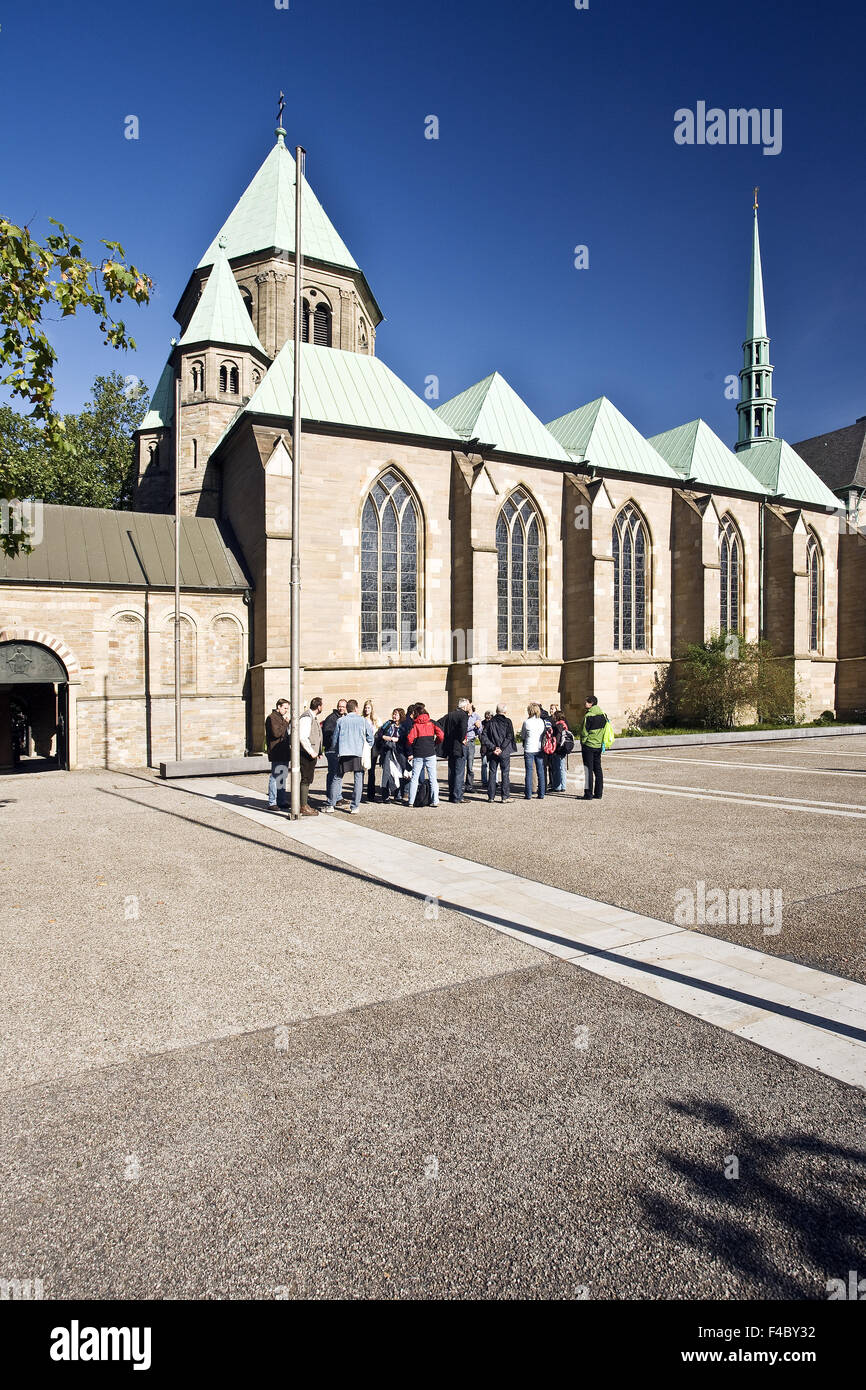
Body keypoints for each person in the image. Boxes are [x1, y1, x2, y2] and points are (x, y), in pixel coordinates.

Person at [325, 699, 374, 813]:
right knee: (358, 779)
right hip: (358, 753)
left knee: (337, 778)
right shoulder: (362, 720)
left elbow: (335, 739)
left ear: (347, 708)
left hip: (344, 752)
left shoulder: (341, 721)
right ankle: (355, 806)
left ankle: (331, 805)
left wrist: (337, 751)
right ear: (356, 708)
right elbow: (370, 738)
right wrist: (367, 748)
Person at [406, 703, 444, 806]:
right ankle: (435, 800)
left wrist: (413, 746)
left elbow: (409, 739)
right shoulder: (431, 723)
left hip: (418, 753)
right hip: (430, 752)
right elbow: (441, 735)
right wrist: (434, 743)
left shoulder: (415, 725)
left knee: (414, 778)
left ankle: (411, 801)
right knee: (433, 778)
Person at [480, 704, 516, 802]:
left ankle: (491, 797)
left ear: (496, 711)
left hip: (493, 752)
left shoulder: (490, 722)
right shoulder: (508, 721)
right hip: (503, 751)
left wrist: (493, 747)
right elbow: (509, 736)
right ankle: (505, 796)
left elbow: (484, 736)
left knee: (492, 772)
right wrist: (501, 748)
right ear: (505, 712)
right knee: (505, 773)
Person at [297, 697, 323, 816]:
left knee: (308, 778)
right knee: (306, 778)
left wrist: (319, 751)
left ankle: (304, 804)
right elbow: (302, 737)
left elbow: (316, 735)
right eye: (322, 705)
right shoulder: (307, 717)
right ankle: (303, 806)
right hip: (306, 754)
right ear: (319, 707)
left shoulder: (312, 717)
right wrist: (311, 751)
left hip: (311, 753)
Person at [441, 697, 470, 803]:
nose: (469, 706)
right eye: (468, 705)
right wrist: (462, 739)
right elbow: (463, 728)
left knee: (451, 771)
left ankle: (451, 795)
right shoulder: (463, 715)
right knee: (459, 772)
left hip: (450, 746)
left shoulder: (450, 714)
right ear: (464, 706)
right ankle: (457, 796)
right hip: (459, 746)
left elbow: (439, 723)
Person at [580, 694, 607, 801]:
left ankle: (588, 794)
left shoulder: (588, 716)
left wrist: (584, 742)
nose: (584, 703)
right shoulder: (603, 715)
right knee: (598, 769)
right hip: (599, 745)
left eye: (586, 702)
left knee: (588, 770)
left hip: (589, 745)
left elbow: (584, 732)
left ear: (591, 704)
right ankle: (599, 793)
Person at [322, 698, 348, 808]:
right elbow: (327, 734)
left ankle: (338, 796)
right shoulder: (332, 718)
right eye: (339, 706)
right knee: (333, 774)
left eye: (343, 706)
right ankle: (332, 797)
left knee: (337, 774)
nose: (341, 708)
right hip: (332, 750)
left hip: (340, 750)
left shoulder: (345, 717)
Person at [265, 699, 290, 810]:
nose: (286, 711)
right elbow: (276, 733)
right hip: (276, 751)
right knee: (275, 777)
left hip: (284, 751)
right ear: (278, 707)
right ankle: (272, 802)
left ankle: (281, 800)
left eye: (287, 708)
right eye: (285, 708)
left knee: (282, 777)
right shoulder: (271, 718)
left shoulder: (280, 718)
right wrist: (285, 723)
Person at [378, 708, 406, 803]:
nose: (394, 716)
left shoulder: (404, 726)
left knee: (399, 773)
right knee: (387, 773)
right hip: (387, 751)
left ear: (401, 716)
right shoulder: (388, 723)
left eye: (396, 714)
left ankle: (398, 794)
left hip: (399, 752)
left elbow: (406, 738)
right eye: (394, 714)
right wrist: (386, 737)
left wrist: (398, 740)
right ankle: (385, 796)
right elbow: (380, 733)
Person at [521, 702, 546, 800]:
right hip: (539, 748)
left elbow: (523, 735)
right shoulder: (541, 721)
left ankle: (528, 794)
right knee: (541, 771)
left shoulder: (527, 722)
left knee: (529, 772)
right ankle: (542, 793)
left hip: (529, 748)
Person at [549, 707, 570, 792]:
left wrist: (553, 747)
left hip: (558, 749)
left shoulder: (558, 725)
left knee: (557, 768)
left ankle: (557, 786)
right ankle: (563, 785)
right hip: (564, 748)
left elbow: (557, 739)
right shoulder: (565, 724)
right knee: (562, 768)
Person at [362, 699, 378, 801]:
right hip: (364, 746)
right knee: (362, 769)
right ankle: (359, 792)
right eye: (365, 707)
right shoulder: (361, 719)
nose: (366, 709)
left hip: (373, 748)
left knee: (372, 771)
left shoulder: (375, 720)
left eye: (368, 708)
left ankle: (371, 794)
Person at [464, 704, 482, 792]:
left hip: (471, 742)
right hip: (463, 742)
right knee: (461, 765)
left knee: (470, 766)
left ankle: (469, 786)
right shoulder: (463, 716)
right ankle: (459, 785)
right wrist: (474, 726)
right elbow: (464, 729)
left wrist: (478, 727)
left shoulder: (476, 716)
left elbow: (480, 731)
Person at [479, 710, 493, 789]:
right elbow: (480, 735)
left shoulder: (493, 723)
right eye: (487, 717)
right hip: (484, 747)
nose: (488, 719)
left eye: (489, 717)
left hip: (491, 748)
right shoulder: (482, 724)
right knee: (484, 765)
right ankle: (484, 781)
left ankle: (494, 781)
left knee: (493, 765)